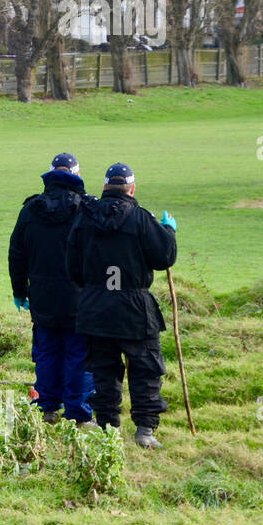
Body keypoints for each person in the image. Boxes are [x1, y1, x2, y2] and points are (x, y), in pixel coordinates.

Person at [66, 162, 178, 448]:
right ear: (132, 188)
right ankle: (145, 430)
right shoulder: (141, 218)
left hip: (96, 305)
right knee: (146, 369)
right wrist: (168, 231)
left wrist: (94, 288)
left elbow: (73, 268)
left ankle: (107, 427)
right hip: (134, 306)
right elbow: (164, 258)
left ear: (104, 187)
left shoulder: (84, 218)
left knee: (103, 370)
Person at [8, 153, 95, 424]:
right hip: (80, 296)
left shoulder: (31, 209)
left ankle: (47, 407)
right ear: (77, 175)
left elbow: (16, 254)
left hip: (42, 296)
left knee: (47, 352)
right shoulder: (87, 209)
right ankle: (78, 413)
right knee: (79, 354)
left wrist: (19, 290)